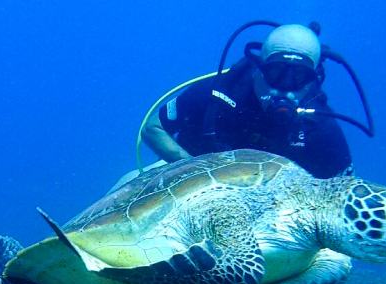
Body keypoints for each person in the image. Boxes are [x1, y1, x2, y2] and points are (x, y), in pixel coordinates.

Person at [141, 24, 353, 179]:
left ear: (313, 80)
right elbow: (153, 128)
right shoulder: (220, 92)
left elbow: (344, 187)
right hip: (184, 180)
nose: (286, 86)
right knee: (125, 186)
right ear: (258, 68)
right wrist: (192, 170)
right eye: (276, 72)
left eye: (300, 76)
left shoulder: (319, 125)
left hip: (270, 212)